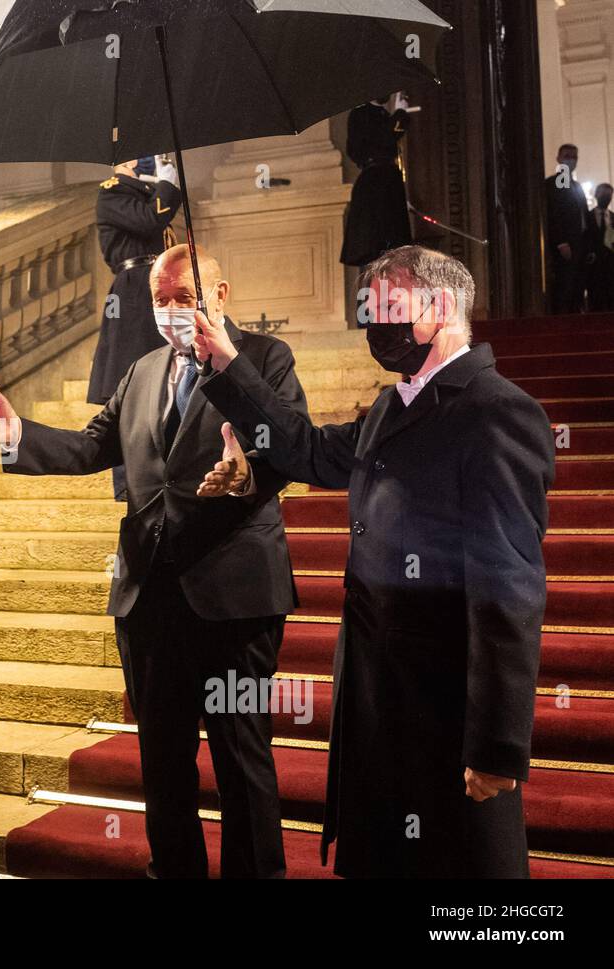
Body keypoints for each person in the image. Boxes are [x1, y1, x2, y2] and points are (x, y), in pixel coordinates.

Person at [0, 244, 310, 879]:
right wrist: (19, 435)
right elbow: (92, 446)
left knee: (240, 758)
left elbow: (289, 445)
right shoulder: (141, 371)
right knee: (163, 760)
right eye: (160, 301)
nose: (170, 312)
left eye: (185, 299)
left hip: (234, 600)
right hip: (150, 598)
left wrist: (249, 470)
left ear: (220, 296)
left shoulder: (265, 359)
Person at [194, 245, 554, 878]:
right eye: (369, 311)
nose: (373, 328)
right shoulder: (392, 405)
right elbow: (304, 448)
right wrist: (229, 361)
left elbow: (509, 588)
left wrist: (497, 742)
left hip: (442, 711)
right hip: (375, 700)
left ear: (440, 308)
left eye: (388, 309)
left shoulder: (498, 412)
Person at [88, 156, 183, 501]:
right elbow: (151, 219)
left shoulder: (144, 192)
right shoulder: (112, 193)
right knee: (131, 386)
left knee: (167, 383)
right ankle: (128, 482)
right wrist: (168, 183)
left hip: (157, 285)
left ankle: (165, 470)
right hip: (132, 297)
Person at [340, 93, 413, 270]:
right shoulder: (361, 114)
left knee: (395, 251)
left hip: (387, 182)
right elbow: (383, 139)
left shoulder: (383, 116)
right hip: (375, 185)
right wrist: (400, 115)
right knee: (375, 250)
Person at [544, 144, 591, 315]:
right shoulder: (555, 182)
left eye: (574, 156)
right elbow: (554, 213)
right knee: (565, 286)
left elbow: (583, 214)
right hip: (566, 244)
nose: (571, 159)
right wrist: (561, 242)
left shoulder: (577, 185)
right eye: (567, 155)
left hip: (581, 242)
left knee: (578, 285)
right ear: (558, 159)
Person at [586, 182, 614, 312]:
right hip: (593, 267)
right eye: (603, 194)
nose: (606, 197)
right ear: (596, 195)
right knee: (595, 301)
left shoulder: (613, 218)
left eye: (609, 195)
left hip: (611, 267)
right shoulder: (587, 217)